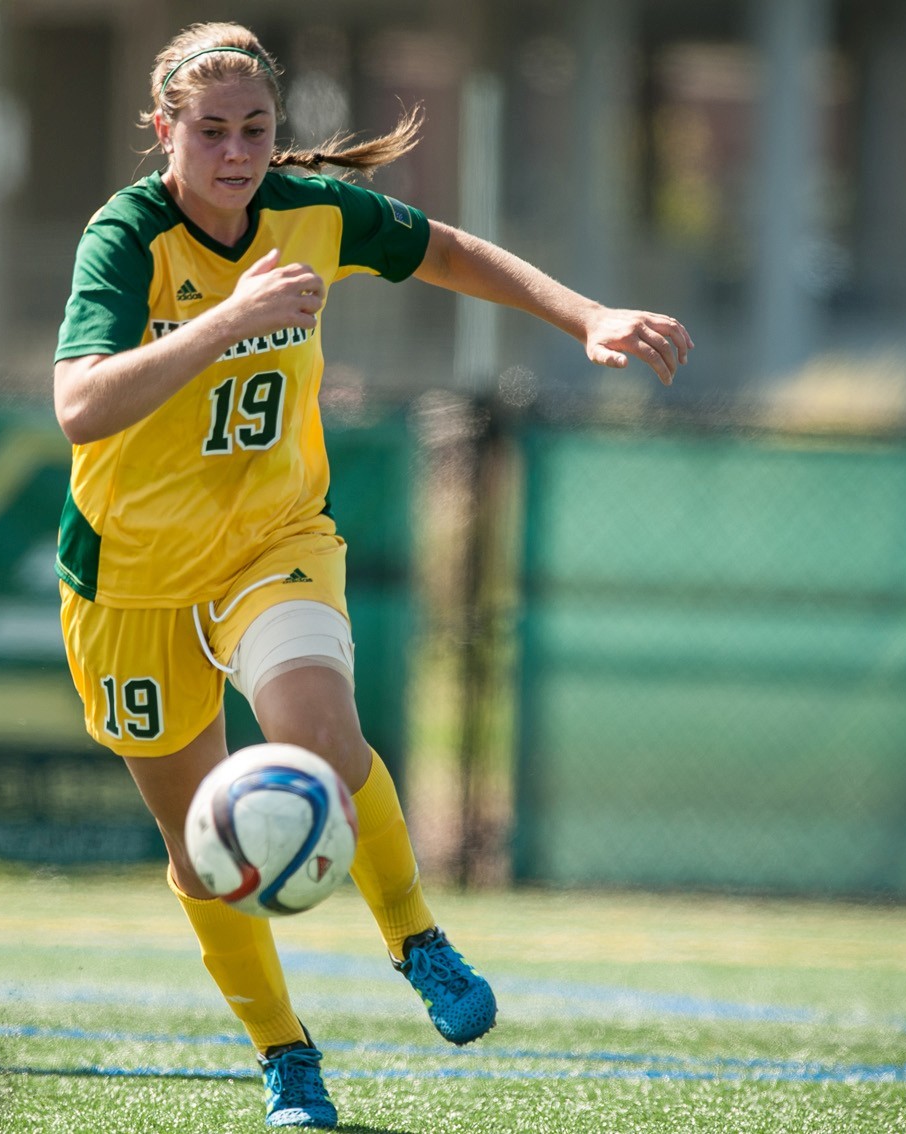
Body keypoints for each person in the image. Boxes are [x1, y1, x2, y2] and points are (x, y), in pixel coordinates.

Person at [52, 22, 691, 1129]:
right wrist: (230, 318)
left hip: (271, 538)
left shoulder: (311, 211)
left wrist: (584, 314)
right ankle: (286, 1058)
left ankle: (415, 937)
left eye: (255, 128)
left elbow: (442, 249)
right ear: (162, 132)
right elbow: (80, 404)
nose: (237, 151)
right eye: (210, 131)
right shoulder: (125, 236)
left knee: (322, 741)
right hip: (129, 578)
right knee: (200, 855)